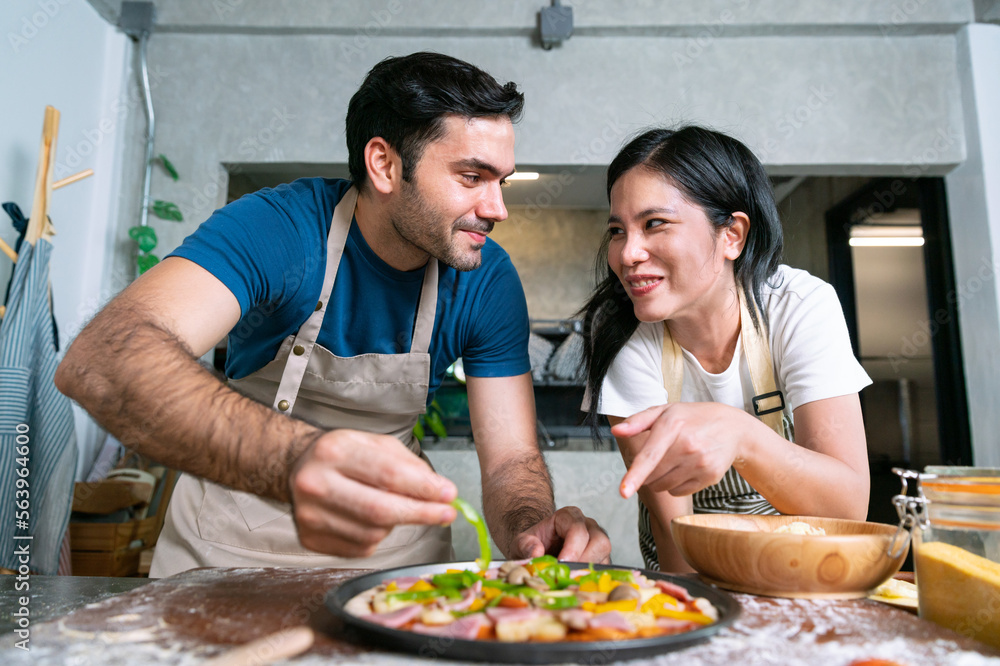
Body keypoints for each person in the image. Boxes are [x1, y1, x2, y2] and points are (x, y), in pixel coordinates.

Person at [56, 52, 610, 577]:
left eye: (501, 182)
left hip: (393, 568)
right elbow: (104, 360)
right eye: (472, 177)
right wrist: (294, 459)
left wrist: (531, 530)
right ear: (384, 164)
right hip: (226, 551)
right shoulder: (279, 228)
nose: (498, 209)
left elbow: (511, 459)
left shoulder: (486, 280)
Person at [580, 126, 871, 572]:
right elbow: (673, 533)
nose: (627, 253)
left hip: (802, 567)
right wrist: (694, 609)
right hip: (692, 573)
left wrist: (742, 437)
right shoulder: (621, 332)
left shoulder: (798, 306)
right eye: (618, 230)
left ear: (731, 235)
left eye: (654, 224)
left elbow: (846, 510)